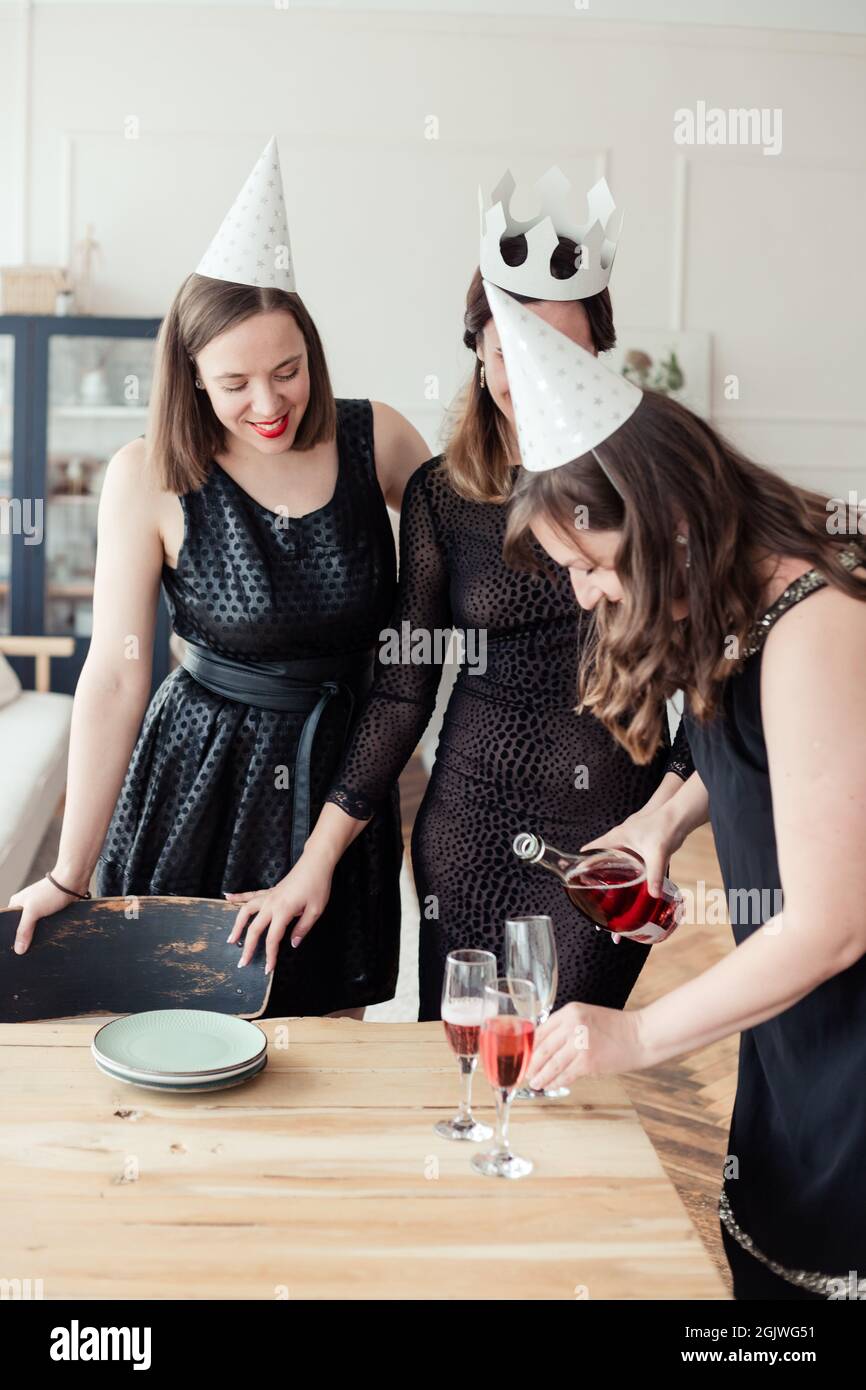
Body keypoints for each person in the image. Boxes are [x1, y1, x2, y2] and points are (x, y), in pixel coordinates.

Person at [225, 169, 693, 1020]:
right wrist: (316, 860)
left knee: (563, 1056)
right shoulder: (444, 495)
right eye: (513, 351)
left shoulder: (656, 485)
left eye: (563, 352)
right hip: (469, 828)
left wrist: (664, 819)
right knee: (467, 1061)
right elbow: (403, 690)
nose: (536, 376)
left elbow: (722, 687)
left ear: (600, 352)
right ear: (477, 349)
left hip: (612, 832)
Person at [492, 279, 866, 1299]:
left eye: (591, 564)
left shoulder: (817, 621)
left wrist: (636, 1036)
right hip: (791, 1017)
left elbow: (831, 926)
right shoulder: (742, 591)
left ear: (665, 518)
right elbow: (740, 749)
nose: (585, 594)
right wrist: (658, 822)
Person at [10, 137, 429, 1020]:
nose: (269, 405)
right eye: (235, 382)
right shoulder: (148, 474)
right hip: (193, 779)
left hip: (340, 783)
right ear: (191, 376)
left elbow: (473, 553)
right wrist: (68, 874)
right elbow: (115, 676)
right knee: (168, 1023)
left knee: (321, 1037)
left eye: (288, 371)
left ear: (312, 352)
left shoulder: (380, 439)